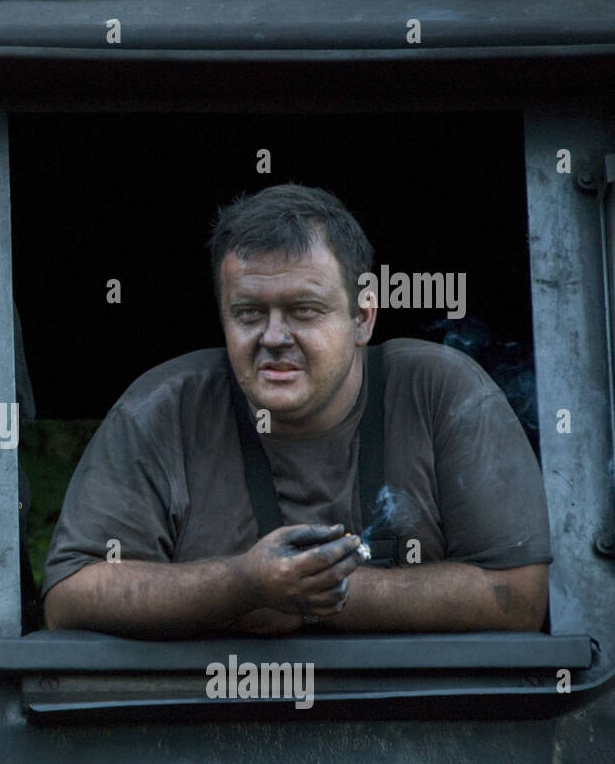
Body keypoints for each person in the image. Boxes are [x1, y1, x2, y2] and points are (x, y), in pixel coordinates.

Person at [42, 183, 551, 638]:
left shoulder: (443, 391)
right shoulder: (162, 407)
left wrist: (314, 596)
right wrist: (242, 583)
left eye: (304, 311)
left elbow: (520, 595)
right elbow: (70, 594)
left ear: (363, 317)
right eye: (248, 313)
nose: (274, 338)